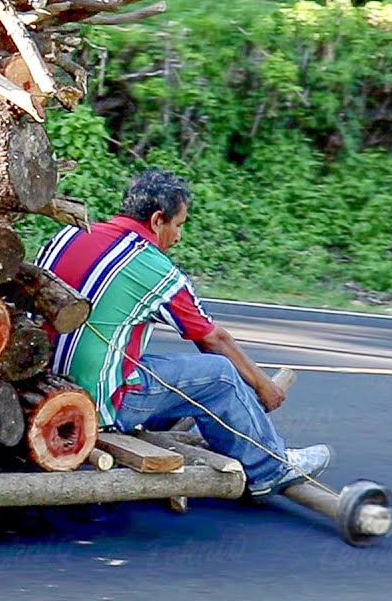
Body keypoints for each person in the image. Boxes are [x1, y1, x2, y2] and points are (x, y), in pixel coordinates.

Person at [35, 169, 331, 495]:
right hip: (96, 403)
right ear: (158, 220)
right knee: (219, 375)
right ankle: (269, 468)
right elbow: (213, 339)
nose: (177, 237)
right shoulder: (151, 266)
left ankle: (223, 436)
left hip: (41, 383)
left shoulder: (68, 235)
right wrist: (263, 386)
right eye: (178, 225)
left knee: (148, 359)